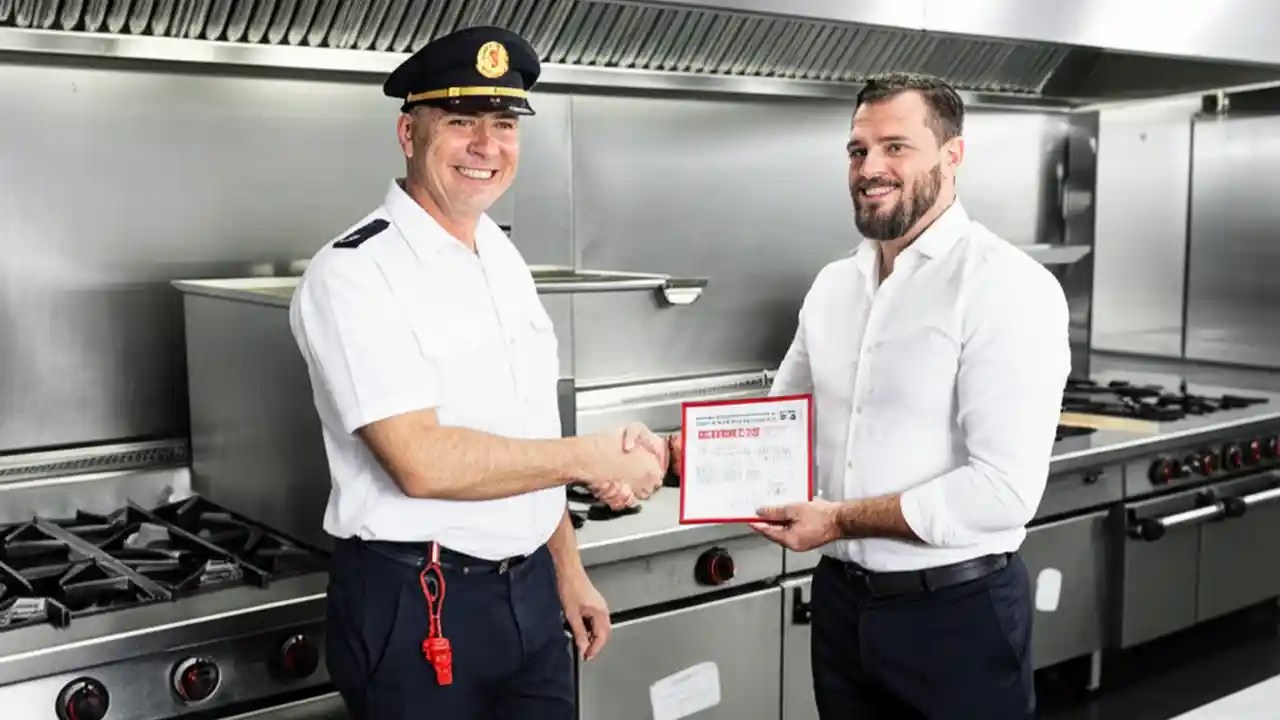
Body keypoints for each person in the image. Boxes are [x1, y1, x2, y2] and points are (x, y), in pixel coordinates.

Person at [287, 26, 667, 720]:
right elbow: (421, 461)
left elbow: (526, 435)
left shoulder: (500, 257)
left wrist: (568, 571)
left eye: (502, 124)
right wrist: (591, 457)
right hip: (418, 605)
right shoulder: (354, 273)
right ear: (409, 133)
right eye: (460, 122)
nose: (485, 146)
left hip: (527, 594)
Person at [672, 73, 1070, 718]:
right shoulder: (835, 284)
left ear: (952, 155)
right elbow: (781, 427)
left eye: (896, 147)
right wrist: (663, 454)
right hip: (842, 603)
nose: (871, 168)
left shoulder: (1006, 287)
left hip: (954, 614)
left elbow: (1002, 490)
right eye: (858, 150)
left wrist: (837, 519)